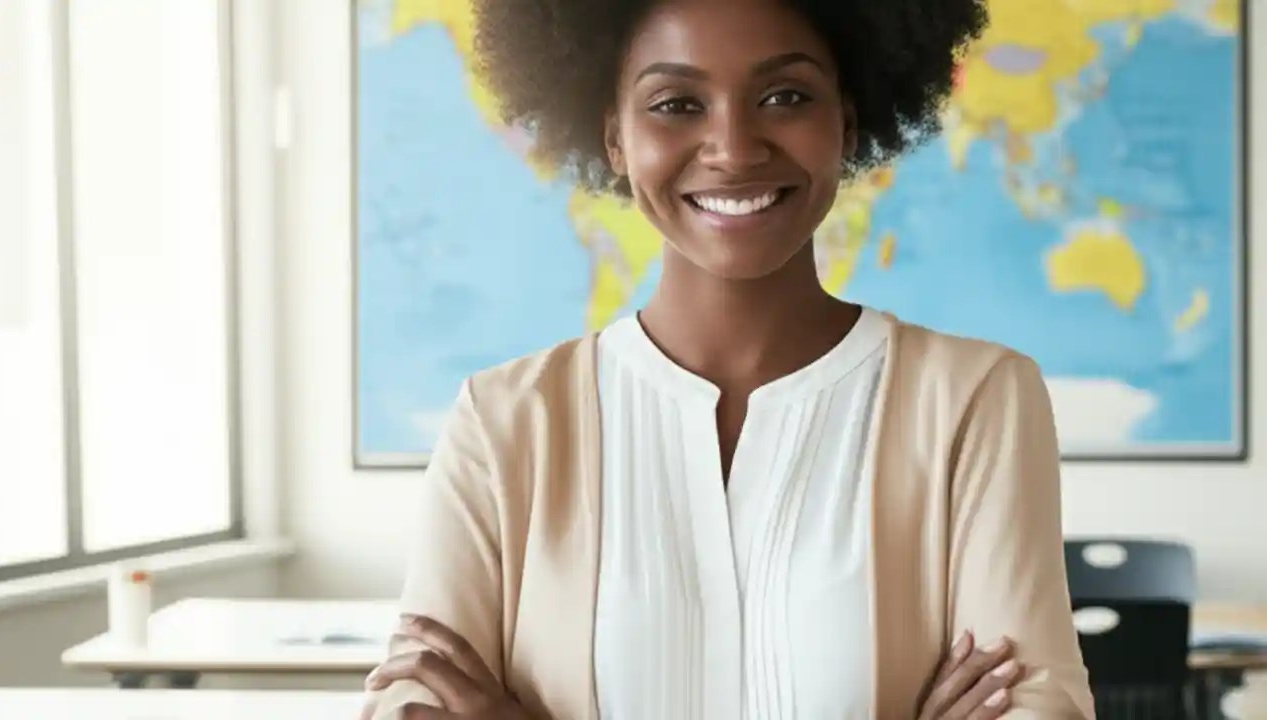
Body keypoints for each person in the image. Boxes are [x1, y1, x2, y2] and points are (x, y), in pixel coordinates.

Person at [362, 0, 1095, 718]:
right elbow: (414, 702)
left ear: (844, 120)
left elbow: (1038, 708)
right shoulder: (504, 422)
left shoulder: (974, 400)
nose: (736, 148)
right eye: (677, 104)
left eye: (785, 96)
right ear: (614, 136)